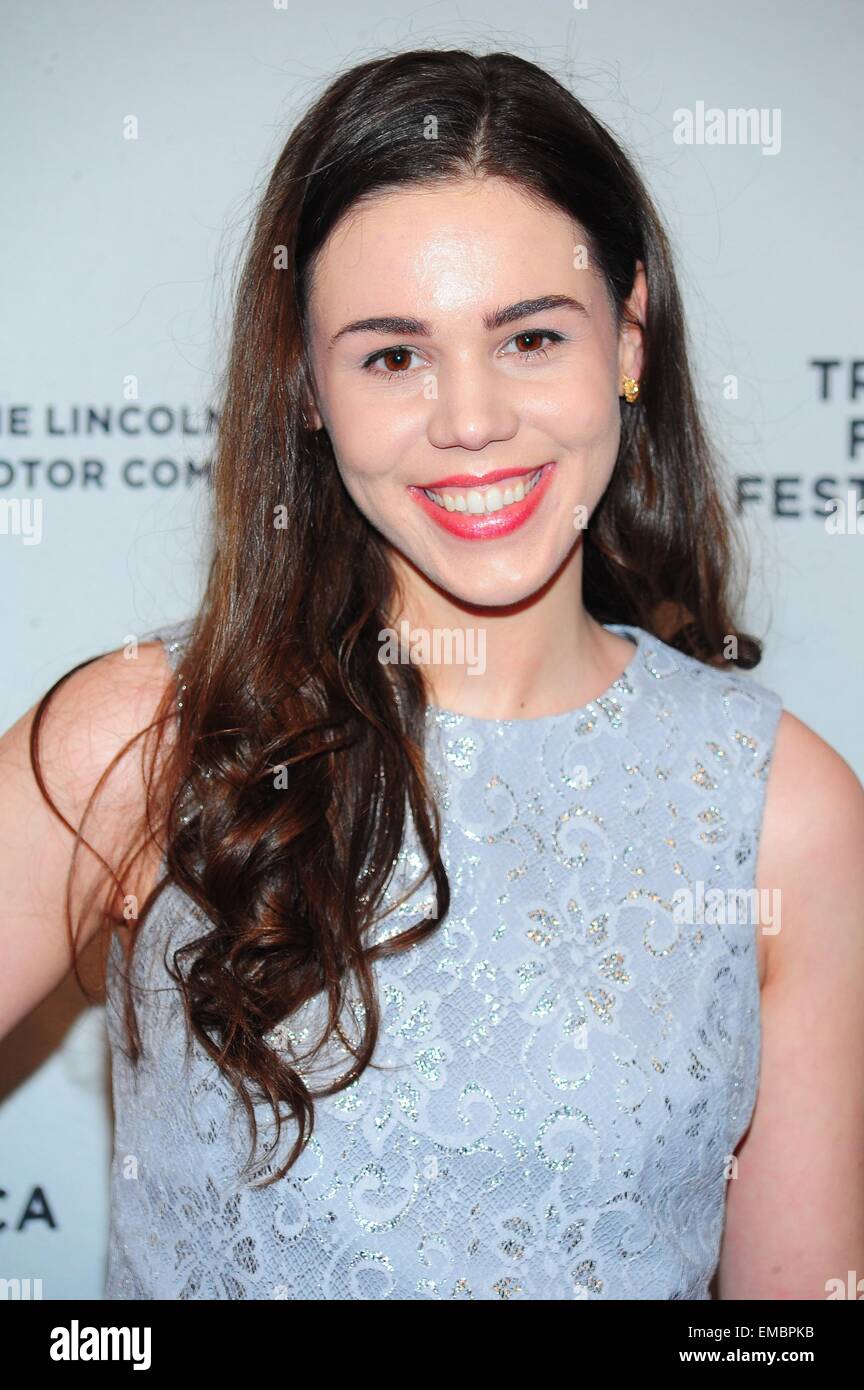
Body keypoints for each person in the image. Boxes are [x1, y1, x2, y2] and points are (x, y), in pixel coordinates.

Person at [2, 48, 862, 1302]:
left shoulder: (780, 810)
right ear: (307, 385)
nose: (470, 419)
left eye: (527, 336)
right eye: (392, 356)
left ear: (626, 337)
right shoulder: (150, 738)